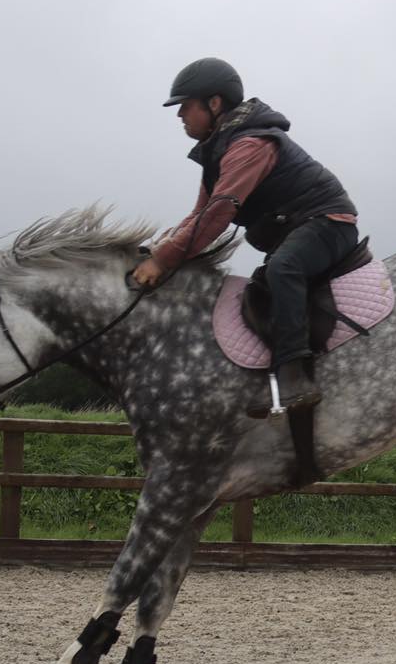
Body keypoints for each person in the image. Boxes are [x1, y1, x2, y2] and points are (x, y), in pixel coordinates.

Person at [133, 58, 359, 417]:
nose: (180, 116)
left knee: (282, 270)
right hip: (299, 227)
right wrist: (158, 248)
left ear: (215, 103)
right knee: (259, 293)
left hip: (328, 222)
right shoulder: (220, 149)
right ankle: (267, 381)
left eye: (186, 106)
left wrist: (163, 261)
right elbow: (199, 214)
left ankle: (295, 379)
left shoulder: (250, 145)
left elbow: (219, 213)